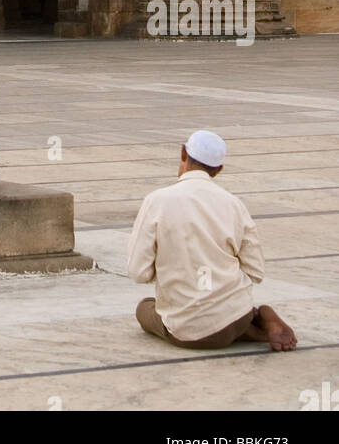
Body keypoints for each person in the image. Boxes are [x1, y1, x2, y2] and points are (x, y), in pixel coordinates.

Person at [127, 129, 297, 351]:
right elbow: (256, 271)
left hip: (188, 332)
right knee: (225, 311)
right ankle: (255, 321)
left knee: (145, 309)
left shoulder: (156, 201)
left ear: (183, 153)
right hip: (238, 316)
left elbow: (138, 272)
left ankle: (233, 325)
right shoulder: (234, 204)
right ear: (218, 169)